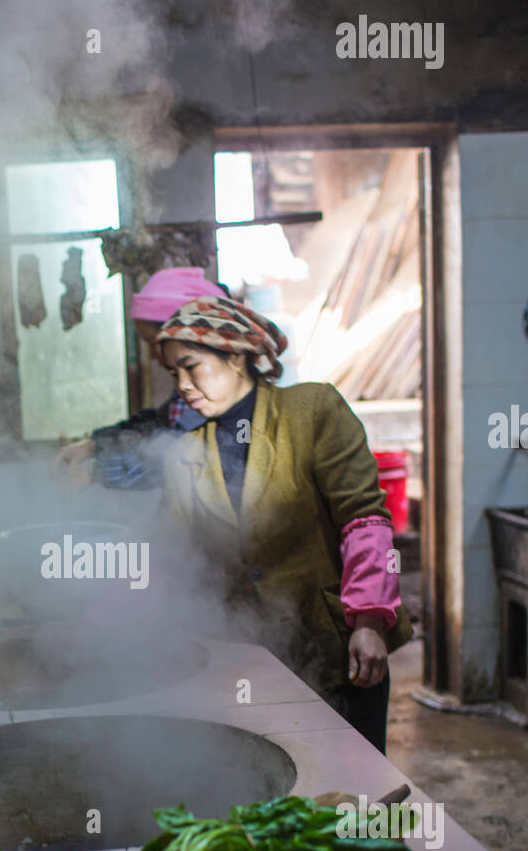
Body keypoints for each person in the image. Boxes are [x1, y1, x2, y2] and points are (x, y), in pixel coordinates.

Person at [154, 294, 413, 753]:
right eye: (174, 373)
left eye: (191, 366)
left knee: (353, 782)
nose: (183, 385)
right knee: (274, 782)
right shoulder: (183, 454)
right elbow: (169, 559)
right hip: (246, 664)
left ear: (236, 357)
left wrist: (370, 620)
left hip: (336, 650)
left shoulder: (311, 411)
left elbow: (364, 520)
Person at [54, 268, 228, 490]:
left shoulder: (216, 390)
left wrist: (96, 471)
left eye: (154, 343)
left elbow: (174, 453)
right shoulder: (186, 385)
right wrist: (95, 444)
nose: (154, 356)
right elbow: (160, 425)